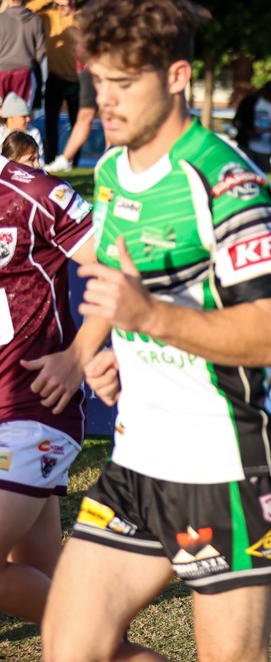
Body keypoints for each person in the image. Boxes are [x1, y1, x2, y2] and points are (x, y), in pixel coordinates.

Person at [40, 0, 271, 662]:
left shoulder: (226, 180)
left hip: (224, 467)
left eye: (125, 84)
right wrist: (95, 351)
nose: (106, 100)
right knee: (69, 648)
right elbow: (119, 284)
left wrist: (148, 317)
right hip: (137, 459)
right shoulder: (110, 170)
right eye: (100, 81)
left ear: (177, 76)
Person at [0, 146, 95, 627]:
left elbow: (123, 269)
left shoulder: (33, 192)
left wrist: (81, 356)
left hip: (30, 410)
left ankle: (98, 637)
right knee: (41, 578)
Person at [29, 0, 80, 165]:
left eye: (63, 5)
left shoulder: (81, 18)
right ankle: (51, 160)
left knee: (77, 123)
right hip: (55, 77)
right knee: (51, 122)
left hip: (77, 80)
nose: (60, 8)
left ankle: (72, 161)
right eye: (57, 5)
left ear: (73, 2)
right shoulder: (51, 15)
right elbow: (27, 10)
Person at [0, 0, 45, 102]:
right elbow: (41, 50)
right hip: (25, 72)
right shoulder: (36, 21)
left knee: (1, 109)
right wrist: (32, 64)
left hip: (2, 72)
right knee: (21, 109)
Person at [233, 81, 271, 166]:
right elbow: (238, 121)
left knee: (264, 171)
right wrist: (248, 131)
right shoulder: (250, 102)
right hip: (247, 147)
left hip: (267, 149)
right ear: (265, 92)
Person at [0, 92, 44, 159]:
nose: (28, 119)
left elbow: (40, 160)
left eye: (28, 115)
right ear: (11, 117)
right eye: (24, 116)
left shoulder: (34, 133)